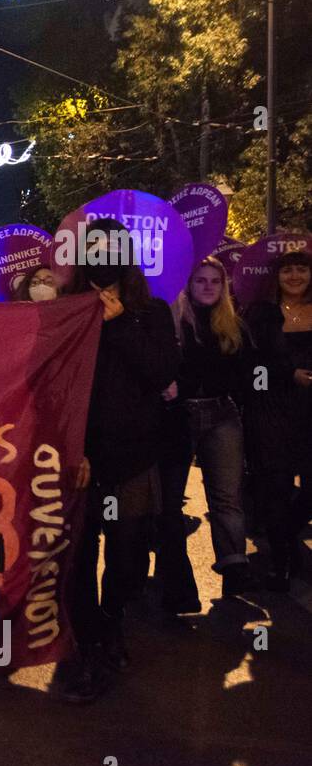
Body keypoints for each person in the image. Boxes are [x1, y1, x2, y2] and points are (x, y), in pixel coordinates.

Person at [59, 218, 179, 703]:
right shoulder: (67, 311)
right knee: (81, 559)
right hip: (83, 460)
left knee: (127, 558)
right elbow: (54, 386)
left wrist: (120, 325)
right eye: (96, 247)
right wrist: (73, 448)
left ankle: (113, 624)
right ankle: (91, 649)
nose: (104, 254)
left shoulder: (151, 313)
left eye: (113, 247)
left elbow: (162, 374)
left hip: (132, 459)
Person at [156, 257, 252, 612]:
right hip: (179, 417)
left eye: (215, 281)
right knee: (170, 502)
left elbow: (244, 373)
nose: (208, 286)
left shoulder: (232, 325)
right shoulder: (174, 322)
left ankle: (234, 569)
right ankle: (176, 587)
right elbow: (163, 366)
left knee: (226, 498)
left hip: (221, 413)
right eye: (201, 280)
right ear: (189, 284)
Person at [243, 249, 312, 592]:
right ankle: (281, 560)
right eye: (289, 270)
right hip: (272, 414)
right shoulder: (261, 314)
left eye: (302, 269)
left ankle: (286, 535)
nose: (295, 276)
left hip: (310, 415)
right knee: (276, 491)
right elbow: (252, 369)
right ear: (277, 277)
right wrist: (289, 373)